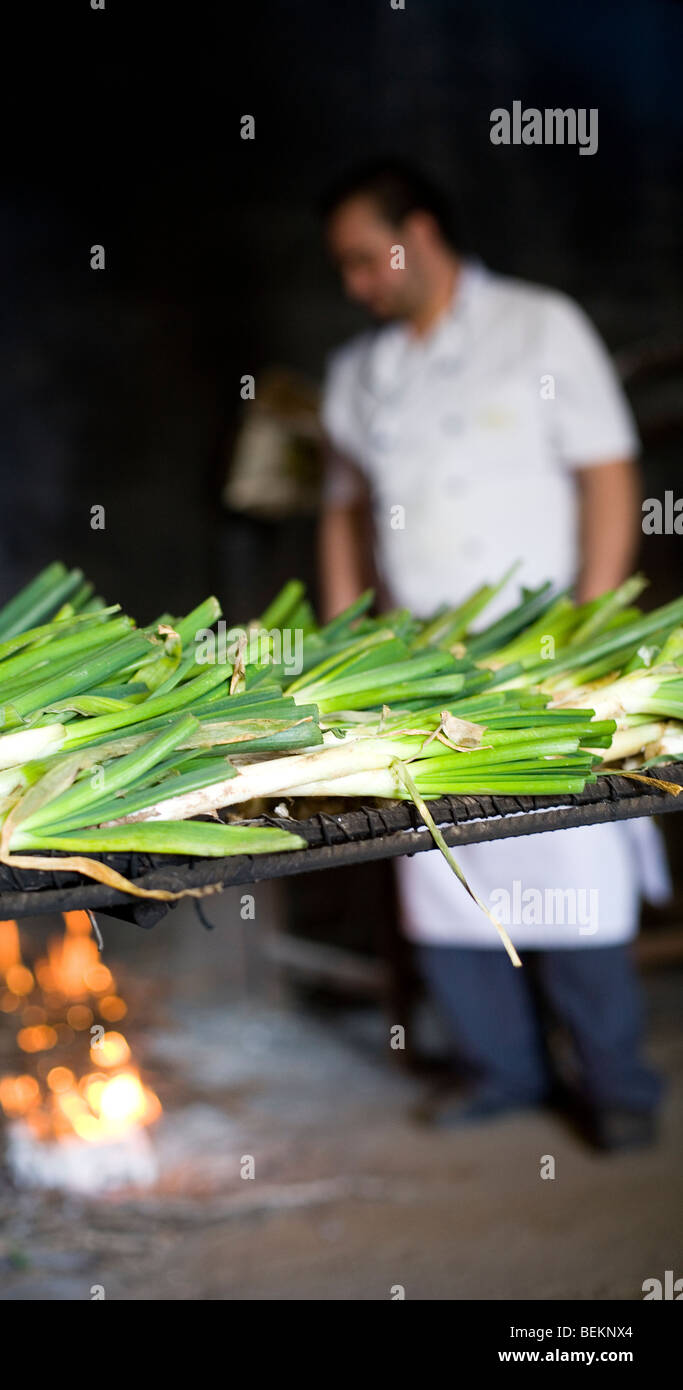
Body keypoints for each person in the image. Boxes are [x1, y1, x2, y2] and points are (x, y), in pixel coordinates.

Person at [317, 157, 667, 1151]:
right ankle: (502, 1069)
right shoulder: (360, 375)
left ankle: (619, 1087)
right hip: (422, 666)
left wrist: (594, 624)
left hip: (546, 651)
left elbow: (607, 472)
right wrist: (346, 644)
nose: (355, 285)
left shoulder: (538, 326)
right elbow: (342, 514)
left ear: (418, 231)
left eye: (361, 259)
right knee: (445, 869)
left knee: (575, 857)